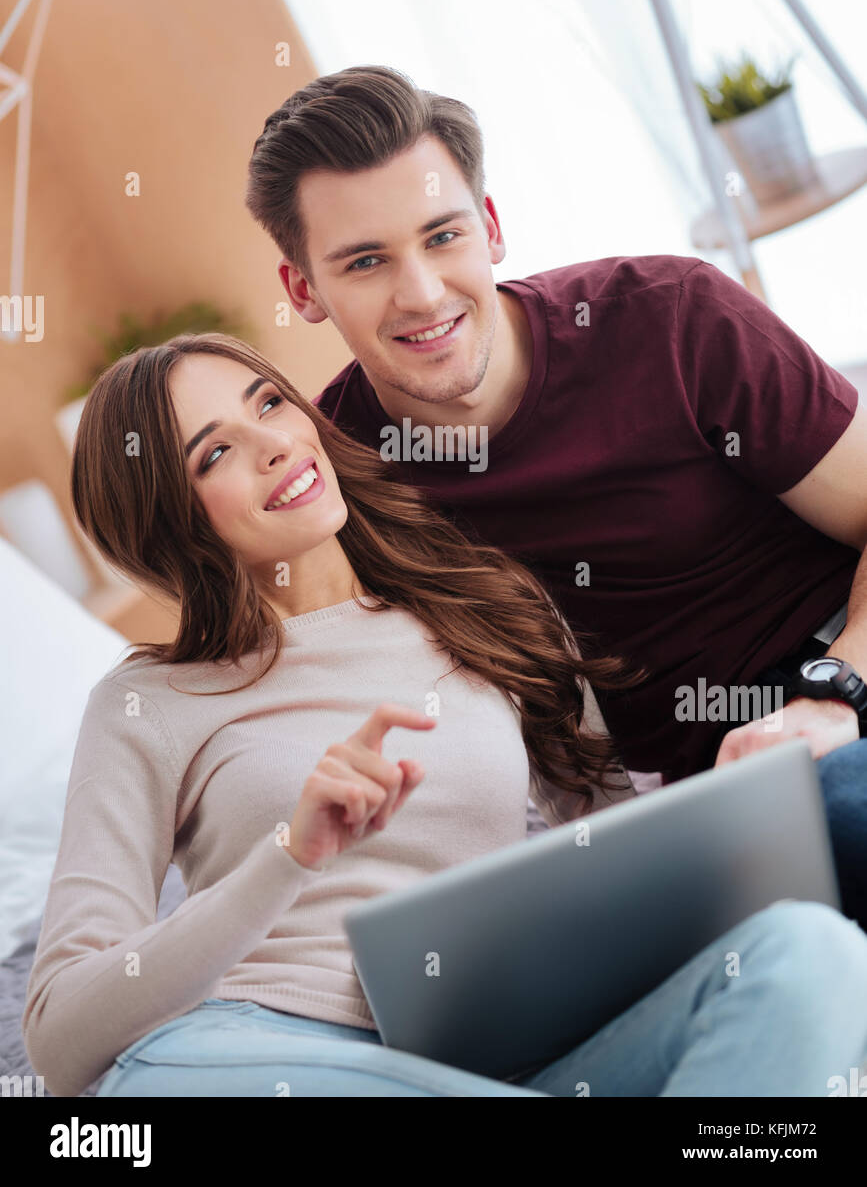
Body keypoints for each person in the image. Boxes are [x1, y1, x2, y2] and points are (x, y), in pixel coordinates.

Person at [20, 333, 867, 1098]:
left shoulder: (486, 606)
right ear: (166, 522)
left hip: (506, 1050)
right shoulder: (149, 702)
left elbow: (607, 847)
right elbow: (61, 1043)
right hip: (268, 1054)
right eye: (216, 455)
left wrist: (717, 836)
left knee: (812, 955)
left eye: (270, 402)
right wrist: (289, 855)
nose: (277, 444)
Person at [244, 63, 867, 929]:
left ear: (490, 227)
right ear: (303, 290)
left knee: (844, 819)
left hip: (842, 669)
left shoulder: (672, 317)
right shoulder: (340, 476)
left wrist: (833, 696)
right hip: (691, 806)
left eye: (441, 236)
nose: (421, 293)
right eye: (365, 261)